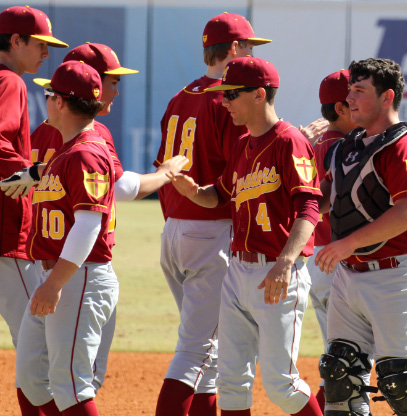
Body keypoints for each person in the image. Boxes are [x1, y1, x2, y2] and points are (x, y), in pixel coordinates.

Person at [17, 42, 187, 398]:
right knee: (50, 381)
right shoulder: (79, 138)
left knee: (64, 383)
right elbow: (120, 190)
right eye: (111, 81)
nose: (113, 90)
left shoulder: (67, 139)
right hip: (63, 268)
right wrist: (163, 175)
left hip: (75, 268)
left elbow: (91, 215)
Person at [167, 56, 323, 416]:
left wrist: (285, 262)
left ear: (259, 94)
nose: (223, 101)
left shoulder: (289, 142)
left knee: (281, 385)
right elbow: (219, 195)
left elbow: (309, 209)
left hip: (276, 273)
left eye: (231, 94)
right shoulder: (241, 144)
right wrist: (193, 192)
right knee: (231, 384)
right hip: (237, 270)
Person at [313, 57, 407, 416]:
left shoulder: (406, 144)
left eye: (360, 91)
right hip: (349, 275)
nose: (349, 99)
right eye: (349, 91)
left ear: (387, 97)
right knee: (338, 376)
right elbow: (326, 199)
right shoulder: (348, 145)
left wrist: (346, 244)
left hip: (396, 274)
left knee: (400, 383)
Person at [152, 12, 270, 416]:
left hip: (174, 230)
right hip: (211, 231)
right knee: (197, 351)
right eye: (249, 46)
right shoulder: (229, 99)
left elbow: (164, 168)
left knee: (210, 353)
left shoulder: (179, 96)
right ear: (234, 49)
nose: (252, 53)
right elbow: (246, 167)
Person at [12, 60, 114, 416]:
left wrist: (54, 283)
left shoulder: (86, 152)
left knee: (71, 384)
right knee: (31, 379)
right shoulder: (66, 151)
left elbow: (88, 225)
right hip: (56, 275)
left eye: (49, 94)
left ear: (60, 101)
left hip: (76, 277)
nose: (45, 100)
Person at [0, 5, 67, 414]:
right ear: (15, 40)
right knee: (36, 347)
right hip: (7, 238)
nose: (46, 53)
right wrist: (30, 172)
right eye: (40, 44)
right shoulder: (9, 81)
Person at [306, 68, 357, 408]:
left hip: (317, 256)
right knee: (348, 360)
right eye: (354, 98)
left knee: (340, 358)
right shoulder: (343, 147)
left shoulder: (315, 143)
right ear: (339, 108)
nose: (360, 104)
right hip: (335, 258)